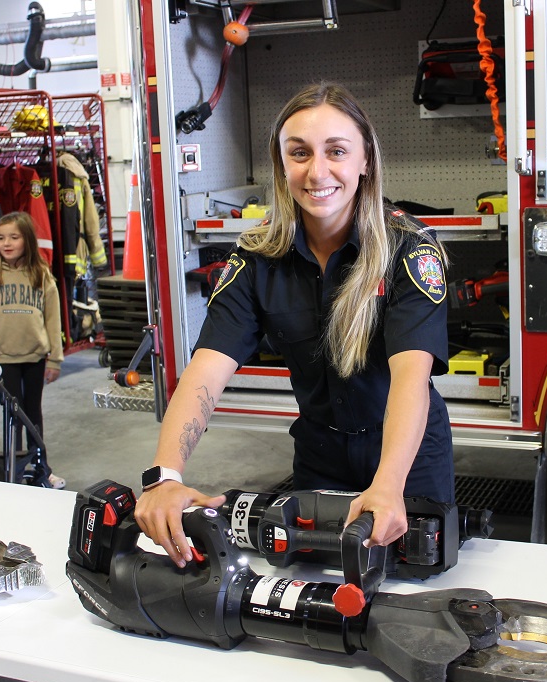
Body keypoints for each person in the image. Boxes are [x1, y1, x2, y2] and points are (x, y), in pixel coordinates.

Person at [136, 82, 454, 567]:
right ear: (281, 165)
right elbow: (204, 374)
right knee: (315, 588)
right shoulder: (256, 258)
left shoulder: (409, 248)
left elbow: (412, 378)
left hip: (406, 459)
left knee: (413, 584)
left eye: (337, 151)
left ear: (365, 160)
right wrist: (165, 475)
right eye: (299, 153)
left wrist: (388, 485)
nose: (317, 171)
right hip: (319, 456)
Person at [0, 211, 66, 489]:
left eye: (14, 237)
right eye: (1, 238)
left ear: (28, 240)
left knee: (33, 413)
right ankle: (15, 470)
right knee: (13, 415)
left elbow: (53, 318)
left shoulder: (40, 273)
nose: (7, 243)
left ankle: (41, 468)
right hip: (4, 359)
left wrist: (55, 360)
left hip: (35, 356)